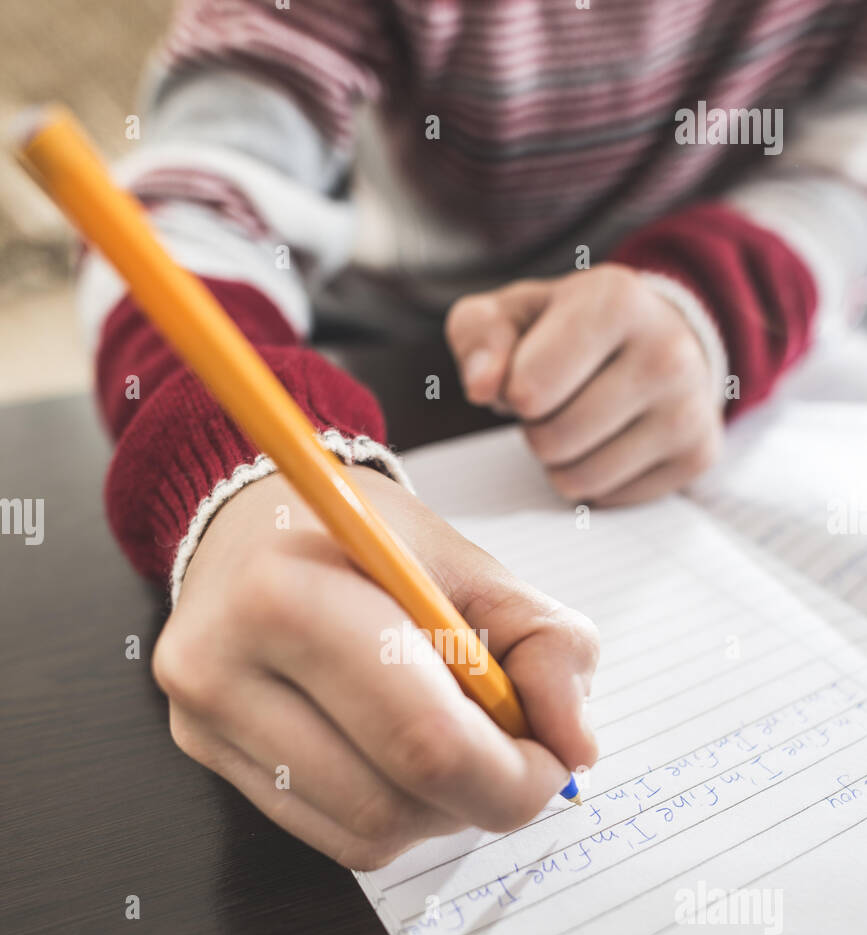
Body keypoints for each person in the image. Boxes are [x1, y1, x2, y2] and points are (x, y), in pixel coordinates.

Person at [80, 0, 867, 868]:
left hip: (706, 349)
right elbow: (187, 209)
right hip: (351, 357)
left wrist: (716, 299)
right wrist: (238, 467)